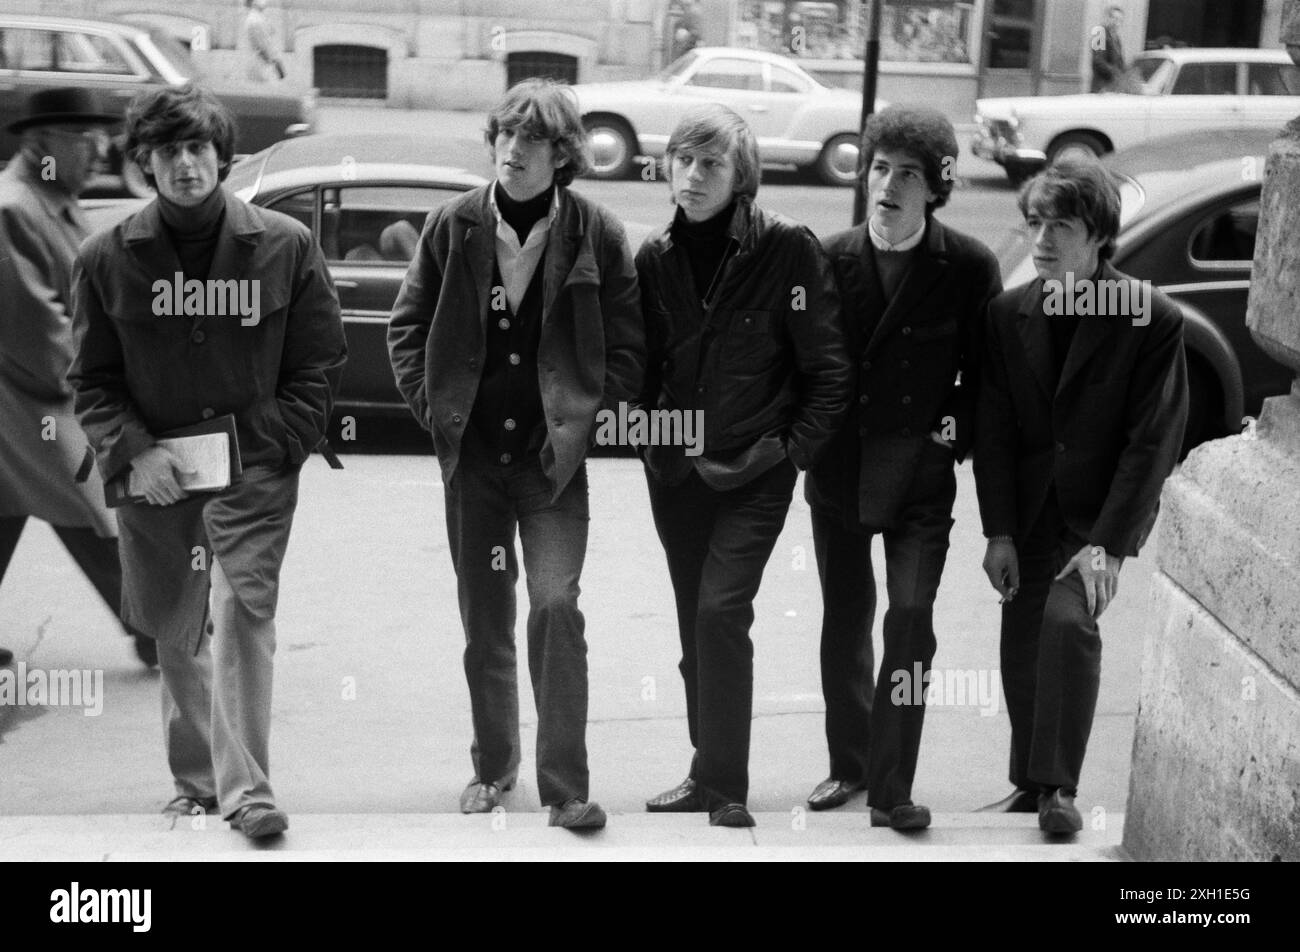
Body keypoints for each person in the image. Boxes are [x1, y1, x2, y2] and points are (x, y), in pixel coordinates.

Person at [70, 84, 346, 839]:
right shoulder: (105, 256)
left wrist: (282, 440)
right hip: (157, 469)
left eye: (198, 149)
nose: (186, 164)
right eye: (168, 152)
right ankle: (194, 782)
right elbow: (90, 381)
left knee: (241, 608)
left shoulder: (285, 245)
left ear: (222, 157)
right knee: (177, 625)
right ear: (146, 165)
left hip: (254, 465)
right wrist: (133, 451)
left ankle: (247, 791)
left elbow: (320, 363)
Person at [387, 79, 644, 831]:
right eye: (506, 136)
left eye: (532, 141)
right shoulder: (454, 225)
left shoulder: (596, 233)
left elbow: (627, 349)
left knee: (556, 606)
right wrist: (437, 413)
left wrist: (583, 424)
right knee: (487, 622)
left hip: (550, 469)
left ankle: (566, 788)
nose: (513, 151)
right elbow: (406, 327)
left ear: (562, 155)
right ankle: (492, 771)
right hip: (473, 463)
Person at [637, 103, 850, 827]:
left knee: (721, 613)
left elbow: (828, 369)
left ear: (742, 177)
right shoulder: (654, 258)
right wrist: (649, 438)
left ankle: (726, 786)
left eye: (711, 165)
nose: (693, 176)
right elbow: (644, 370)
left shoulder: (787, 250)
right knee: (695, 625)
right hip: (676, 472)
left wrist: (792, 452)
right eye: (683, 161)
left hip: (757, 468)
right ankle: (707, 772)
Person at [973, 159, 1187, 834]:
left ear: (1097, 235)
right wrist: (999, 531)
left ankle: (1058, 790)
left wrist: (1108, 548)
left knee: (1067, 627)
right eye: (1034, 223)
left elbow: (1152, 443)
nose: (1040, 239)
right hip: (1030, 519)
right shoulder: (1008, 315)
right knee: (1022, 645)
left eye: (1059, 225)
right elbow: (995, 431)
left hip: (1096, 522)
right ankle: (1030, 782)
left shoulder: (1150, 318)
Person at [803, 106, 1002, 829]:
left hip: (921, 479)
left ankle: (893, 790)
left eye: (908, 173)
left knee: (911, 620)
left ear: (936, 186)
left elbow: (985, 382)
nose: (887, 184)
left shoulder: (970, 267)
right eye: (879, 167)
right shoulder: (827, 257)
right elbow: (804, 370)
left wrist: (949, 439)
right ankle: (847, 765)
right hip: (840, 473)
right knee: (844, 620)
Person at [0, 88, 156, 670]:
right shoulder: (14, 208)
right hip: (28, 398)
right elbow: (33, 327)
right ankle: (156, 627)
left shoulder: (52, 198)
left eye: (105, 137)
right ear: (42, 143)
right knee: (95, 514)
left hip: (36, 394)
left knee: (9, 511)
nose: (102, 150)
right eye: (86, 139)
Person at [240, 0, 285, 84]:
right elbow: (262, 45)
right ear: (254, 3)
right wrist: (275, 63)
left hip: (265, 61)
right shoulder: (255, 20)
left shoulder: (259, 18)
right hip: (262, 63)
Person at [1090, 5, 1126, 93]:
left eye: (1120, 20)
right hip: (1101, 87)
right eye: (1114, 18)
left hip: (1113, 87)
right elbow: (1097, 61)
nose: (1116, 23)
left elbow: (1119, 61)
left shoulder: (1116, 38)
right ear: (1108, 18)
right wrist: (1115, 73)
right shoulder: (1099, 34)